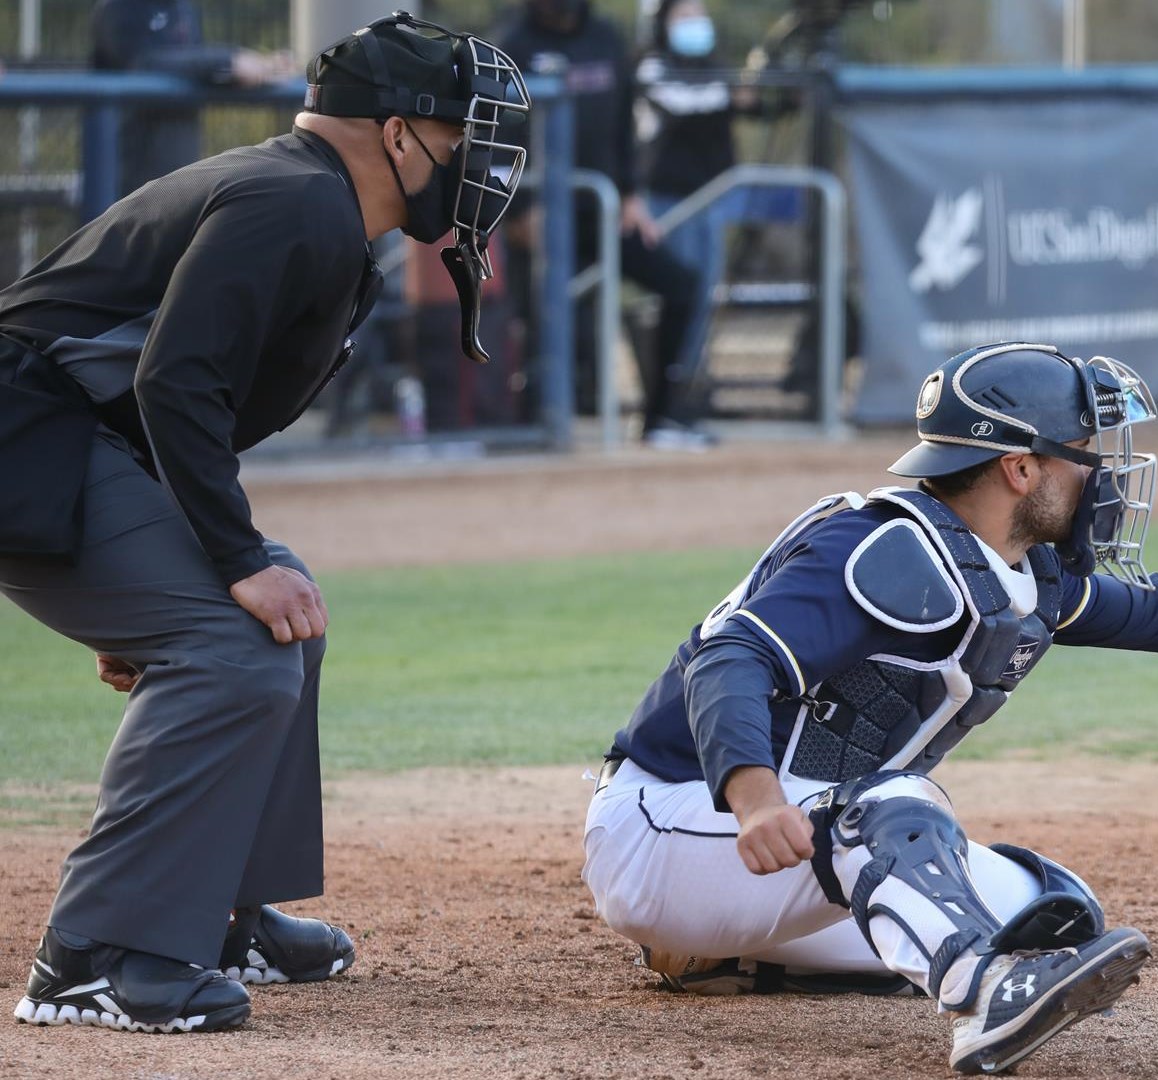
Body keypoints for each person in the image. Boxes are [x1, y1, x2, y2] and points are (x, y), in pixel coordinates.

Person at [581, 342, 1158, 1073]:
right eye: (1084, 452)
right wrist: (754, 795)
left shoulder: (1015, 565)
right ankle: (983, 998)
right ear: (1020, 467)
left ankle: (720, 955)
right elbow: (732, 653)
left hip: (779, 847)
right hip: (678, 821)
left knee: (1054, 916)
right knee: (899, 810)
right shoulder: (887, 548)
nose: (1105, 474)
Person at [1, 13, 528, 1033]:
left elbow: (146, 390)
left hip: (66, 440)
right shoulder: (293, 201)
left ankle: (218, 915)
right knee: (235, 643)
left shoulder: (314, 204)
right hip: (30, 438)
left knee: (283, 609)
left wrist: (170, 580)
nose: (479, 168)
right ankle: (97, 956)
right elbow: (174, 380)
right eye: (466, 140)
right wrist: (223, 563)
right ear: (397, 133)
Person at [495, 0, 707, 446]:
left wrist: (631, 194)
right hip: (543, 213)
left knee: (681, 284)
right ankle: (538, 423)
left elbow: (622, 127)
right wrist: (517, 209)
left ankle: (662, 418)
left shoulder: (605, 39)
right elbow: (499, 135)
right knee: (543, 314)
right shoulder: (513, 45)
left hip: (605, 210)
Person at [634, 0, 742, 442]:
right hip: (664, 202)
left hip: (709, 201)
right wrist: (733, 96)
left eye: (700, 14)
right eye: (684, 15)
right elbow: (688, 109)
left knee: (700, 301)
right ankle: (662, 403)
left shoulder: (715, 68)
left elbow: (737, 107)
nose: (697, 24)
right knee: (674, 296)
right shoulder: (650, 68)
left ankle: (683, 399)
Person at [90, 0, 297, 194]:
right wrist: (227, 60)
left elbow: (194, 64)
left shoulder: (182, 7)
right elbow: (142, 62)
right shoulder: (117, 8)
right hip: (127, 167)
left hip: (179, 164)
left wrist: (257, 66)